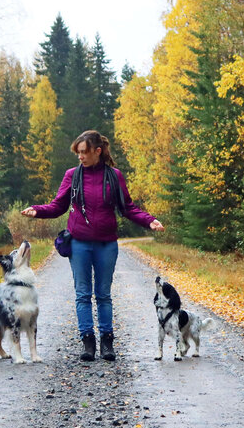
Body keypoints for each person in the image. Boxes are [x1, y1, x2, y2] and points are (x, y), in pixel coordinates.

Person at [22, 130, 165, 361]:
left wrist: (150, 220)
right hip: (78, 244)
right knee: (82, 294)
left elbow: (128, 208)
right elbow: (58, 205)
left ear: (97, 151)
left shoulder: (114, 176)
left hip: (106, 244)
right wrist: (37, 210)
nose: (80, 157)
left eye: (83, 152)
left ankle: (107, 344)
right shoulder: (72, 175)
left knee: (104, 295)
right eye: (77, 152)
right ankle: (88, 343)